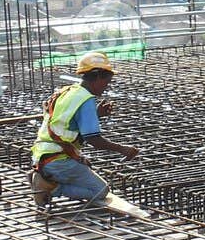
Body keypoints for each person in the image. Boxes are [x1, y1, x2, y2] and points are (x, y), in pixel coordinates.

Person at [29, 51, 138, 210]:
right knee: (100, 190)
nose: (106, 87)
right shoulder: (86, 100)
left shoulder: (67, 91)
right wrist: (124, 150)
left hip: (42, 154)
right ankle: (50, 188)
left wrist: (96, 115)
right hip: (58, 160)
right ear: (98, 76)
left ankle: (46, 178)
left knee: (86, 167)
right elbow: (94, 140)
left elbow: (66, 123)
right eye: (106, 82)